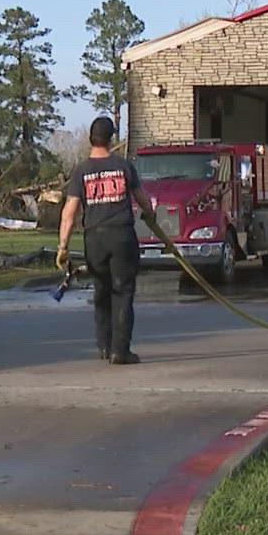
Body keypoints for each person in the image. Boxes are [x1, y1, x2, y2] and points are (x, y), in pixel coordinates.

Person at [57, 116, 165, 365]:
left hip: (94, 238)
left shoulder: (81, 171)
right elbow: (143, 199)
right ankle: (120, 351)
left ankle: (104, 346)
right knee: (123, 292)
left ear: (90, 139)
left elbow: (69, 212)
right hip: (122, 237)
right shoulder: (123, 166)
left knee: (102, 291)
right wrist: (150, 216)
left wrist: (63, 247)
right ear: (111, 139)